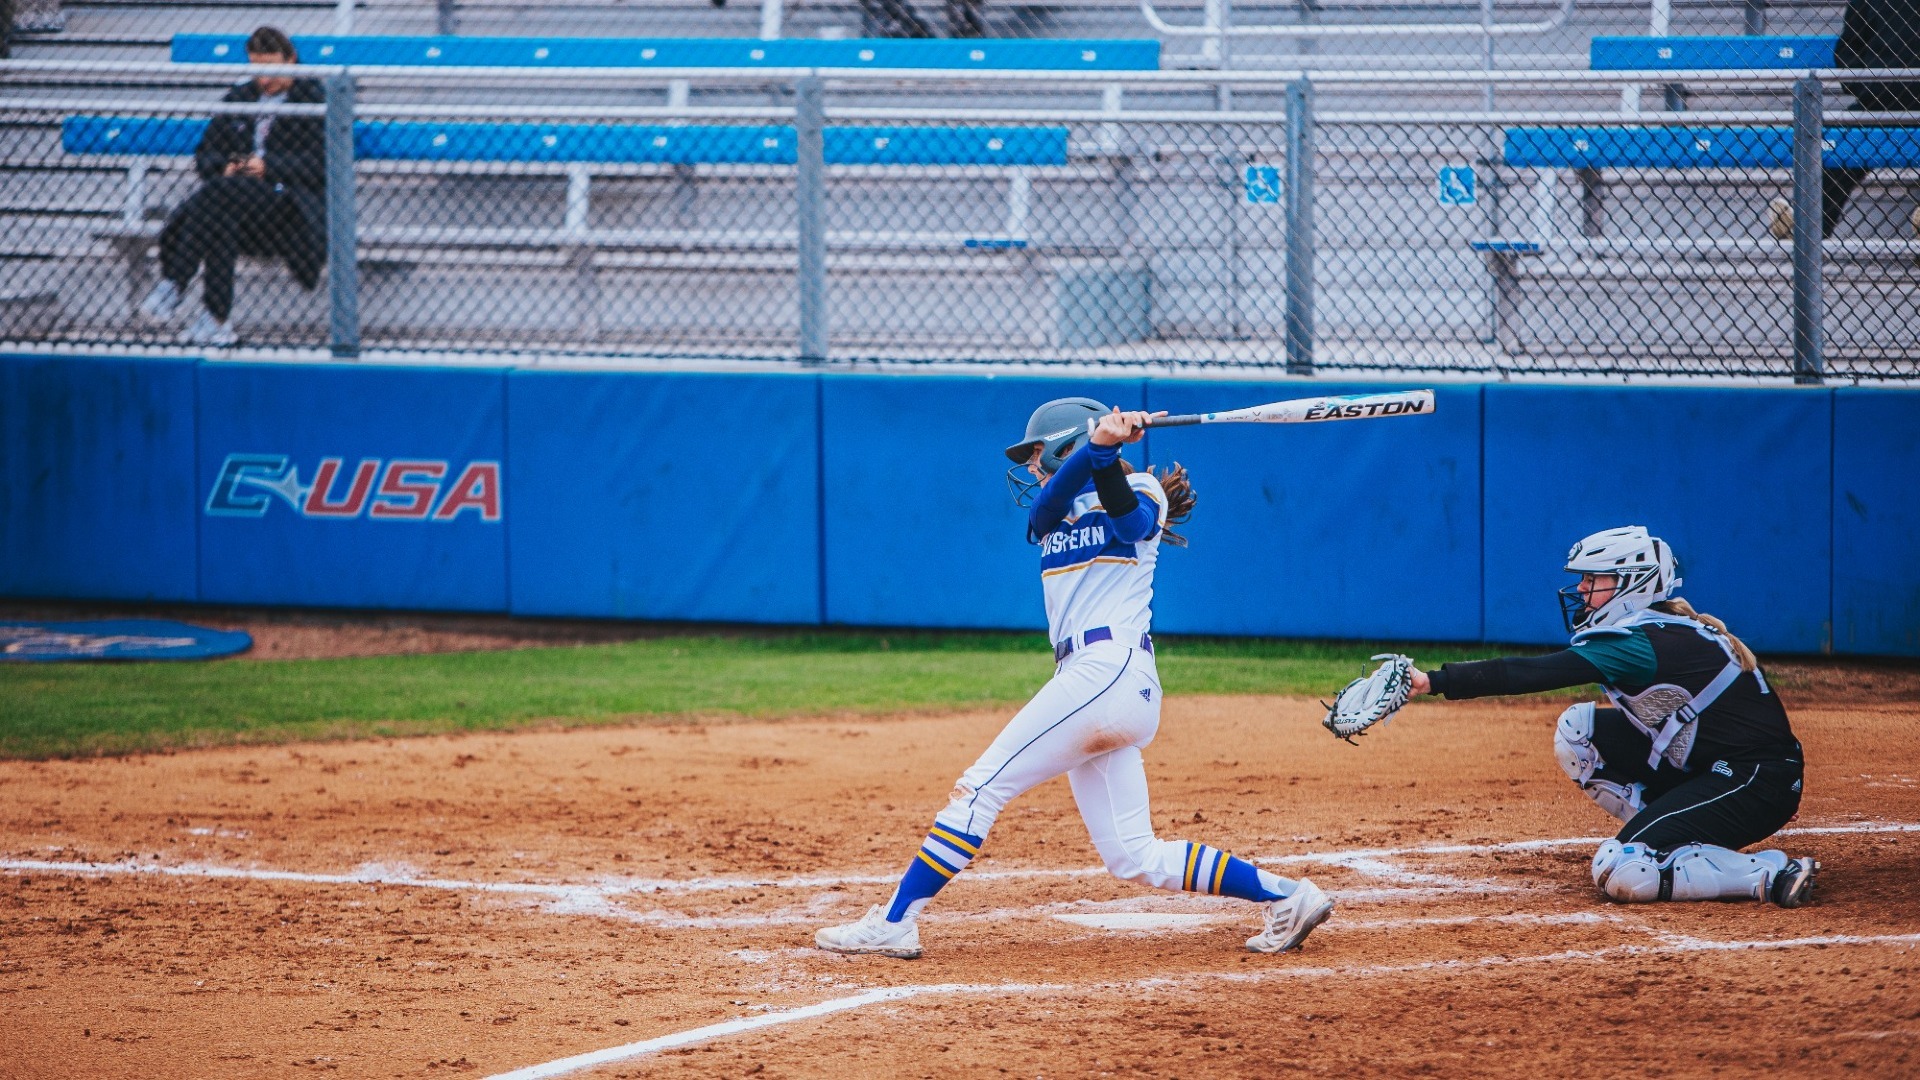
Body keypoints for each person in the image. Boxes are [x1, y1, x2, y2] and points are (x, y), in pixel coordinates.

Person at [814, 398, 1335, 959]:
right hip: (1099, 682)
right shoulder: (1053, 512)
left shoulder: (1146, 496)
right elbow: (1050, 502)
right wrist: (1100, 448)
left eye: (1040, 456)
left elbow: (1129, 521)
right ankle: (1288, 896)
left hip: (1107, 670)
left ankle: (896, 920)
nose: (1035, 470)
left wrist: (1106, 455)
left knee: (980, 789)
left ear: (1064, 446)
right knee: (1132, 854)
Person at [1403, 526, 1817, 907]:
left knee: (1623, 870)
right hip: (1711, 766)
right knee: (1577, 732)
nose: (1580, 589)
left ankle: (1771, 872)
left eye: (1592, 580)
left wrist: (1432, 681)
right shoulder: (1654, 629)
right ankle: (1667, 834)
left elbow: (1534, 672)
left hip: (1756, 782)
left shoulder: (1639, 642)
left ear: (1631, 583)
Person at [138, 26, 326, 346]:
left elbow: (321, 165)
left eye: (271, 69)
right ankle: (215, 321)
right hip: (237, 205)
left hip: (288, 208)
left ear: (291, 60)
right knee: (221, 210)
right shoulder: (240, 97)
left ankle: (174, 283)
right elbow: (206, 154)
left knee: (217, 197)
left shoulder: (313, 98)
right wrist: (228, 166)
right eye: (256, 68)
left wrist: (268, 167)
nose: (263, 79)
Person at [1768, 0, 1920, 240]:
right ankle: (1808, 224)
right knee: (1837, 143)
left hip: (1884, 101)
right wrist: (1867, 90)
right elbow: (1849, 51)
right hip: (1879, 105)